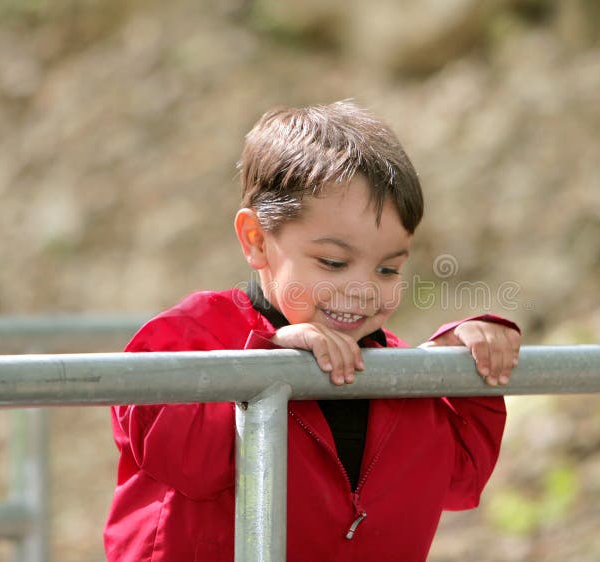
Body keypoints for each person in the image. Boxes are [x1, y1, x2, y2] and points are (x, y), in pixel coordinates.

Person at [103, 100, 521, 562]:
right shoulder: (191, 335)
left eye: (387, 269)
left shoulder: (393, 369)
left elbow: (461, 479)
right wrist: (264, 364)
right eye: (334, 263)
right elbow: (184, 458)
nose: (362, 290)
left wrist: (458, 365)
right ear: (256, 240)